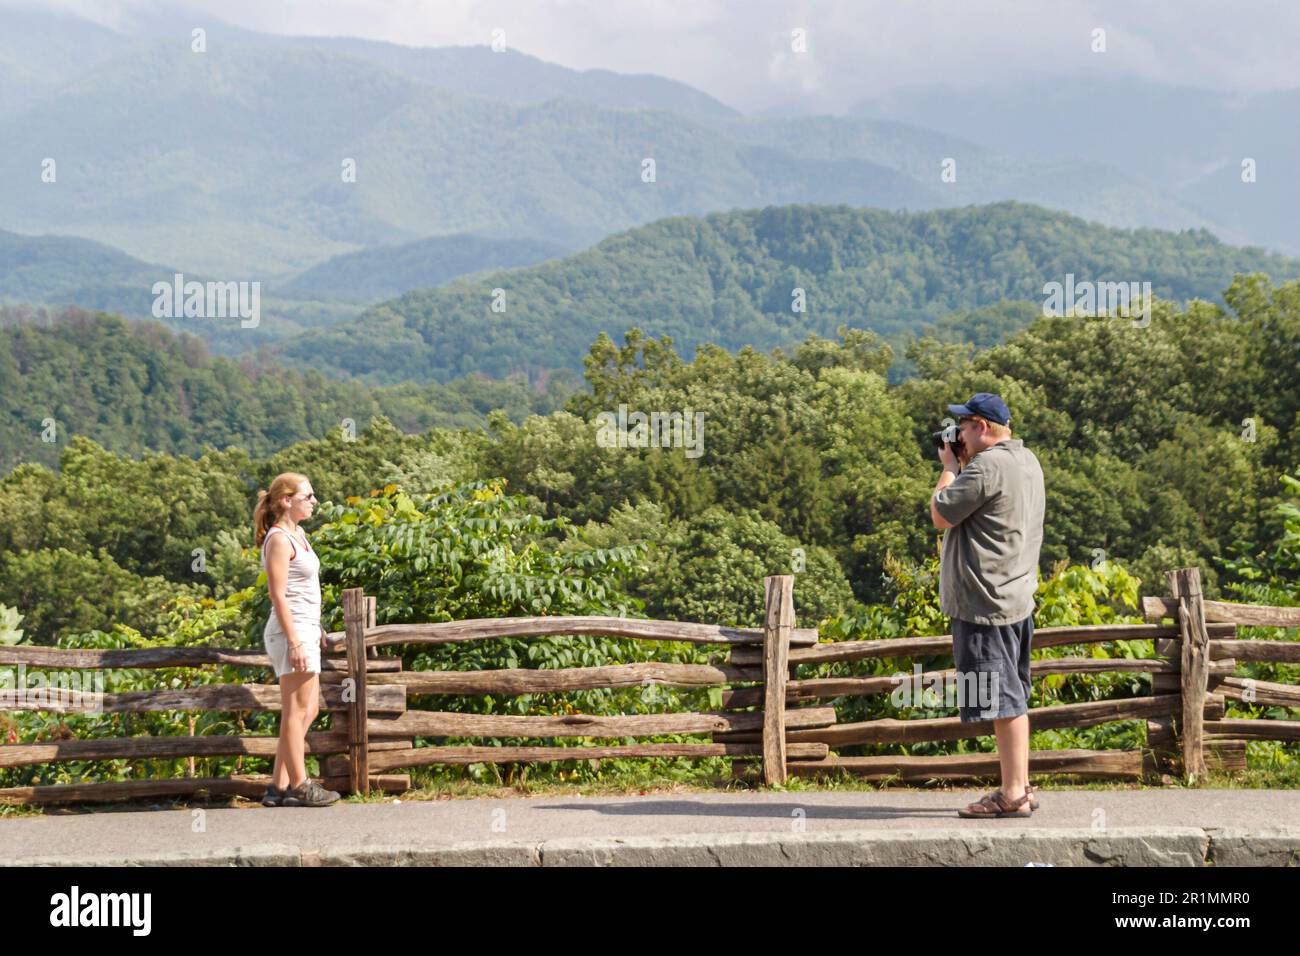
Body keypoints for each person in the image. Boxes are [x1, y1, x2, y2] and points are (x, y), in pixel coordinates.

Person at [929, 393, 1045, 818]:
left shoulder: (987, 467)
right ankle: (1019, 787)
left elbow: (941, 513)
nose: (957, 434)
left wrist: (948, 469)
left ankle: (1013, 794)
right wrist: (963, 465)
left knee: (1003, 700)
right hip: (1016, 597)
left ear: (981, 426)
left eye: (962, 426)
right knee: (1011, 695)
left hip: (986, 602)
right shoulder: (1027, 461)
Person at [252, 472, 341, 808]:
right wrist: (294, 641)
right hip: (289, 631)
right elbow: (277, 594)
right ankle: (301, 786)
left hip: (303, 627)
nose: (314, 501)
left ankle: (278, 785)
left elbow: (304, 589)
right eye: (309, 495)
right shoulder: (278, 539)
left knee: (309, 708)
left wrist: (313, 626)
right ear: (287, 500)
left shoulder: (299, 534)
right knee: (296, 709)